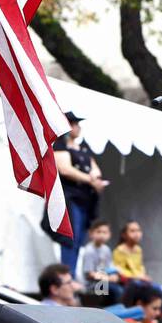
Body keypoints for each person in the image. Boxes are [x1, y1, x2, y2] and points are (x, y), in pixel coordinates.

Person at [53, 111, 108, 276]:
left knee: (79, 239)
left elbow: (94, 167)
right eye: (74, 124)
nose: (78, 127)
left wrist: (97, 179)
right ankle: (67, 276)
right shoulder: (60, 145)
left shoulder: (83, 147)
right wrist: (90, 180)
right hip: (71, 198)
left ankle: (72, 275)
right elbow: (65, 169)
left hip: (85, 198)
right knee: (70, 238)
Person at [78, 220, 121, 304]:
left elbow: (109, 268)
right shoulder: (89, 250)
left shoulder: (106, 249)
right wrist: (107, 278)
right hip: (93, 285)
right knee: (116, 291)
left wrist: (114, 275)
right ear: (91, 233)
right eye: (98, 232)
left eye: (105, 232)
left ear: (109, 234)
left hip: (105, 281)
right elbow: (89, 274)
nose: (102, 235)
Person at [112, 221, 161, 294]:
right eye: (132, 231)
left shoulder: (138, 249)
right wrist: (138, 277)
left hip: (138, 279)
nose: (137, 234)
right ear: (124, 235)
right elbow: (119, 270)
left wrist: (143, 275)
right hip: (126, 281)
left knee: (158, 289)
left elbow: (140, 266)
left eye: (139, 230)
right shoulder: (119, 250)